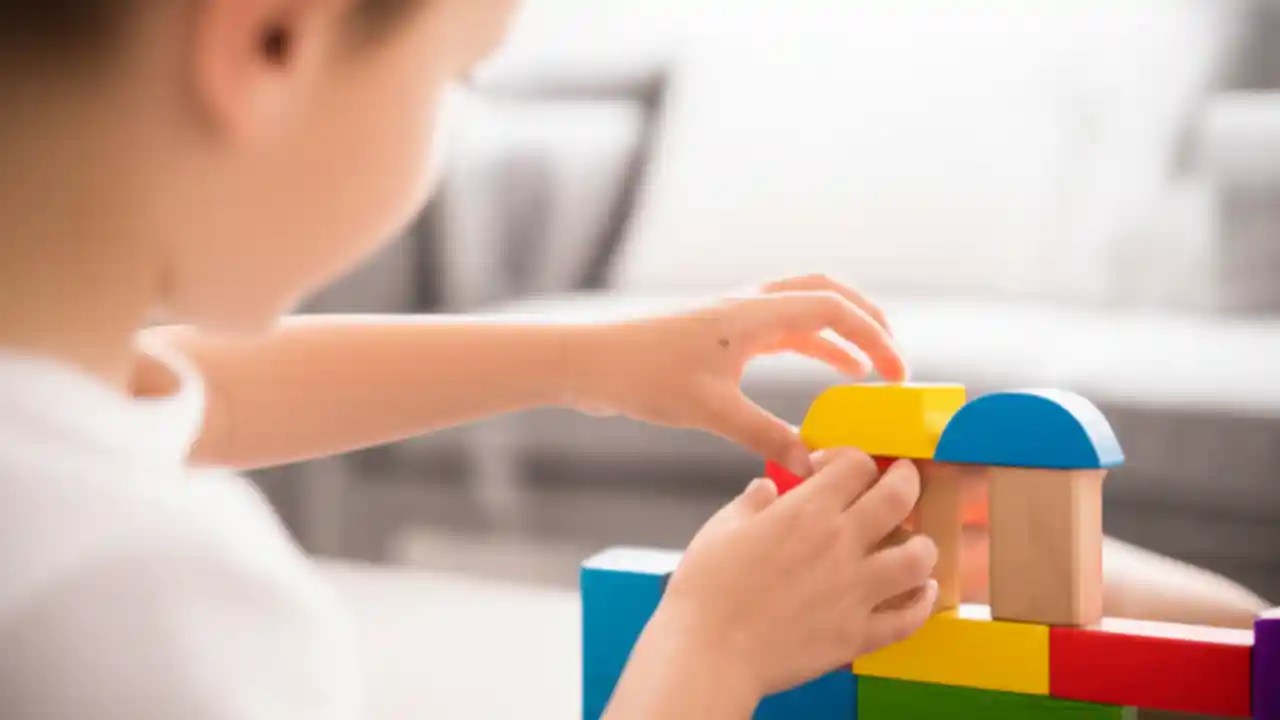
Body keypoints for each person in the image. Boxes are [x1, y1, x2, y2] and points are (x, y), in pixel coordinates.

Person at [0, 1, 1265, 718]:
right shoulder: (148, 608)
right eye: (457, 74)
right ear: (269, 39)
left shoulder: (47, 437)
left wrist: (583, 358)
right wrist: (706, 650)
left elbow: (179, 391)